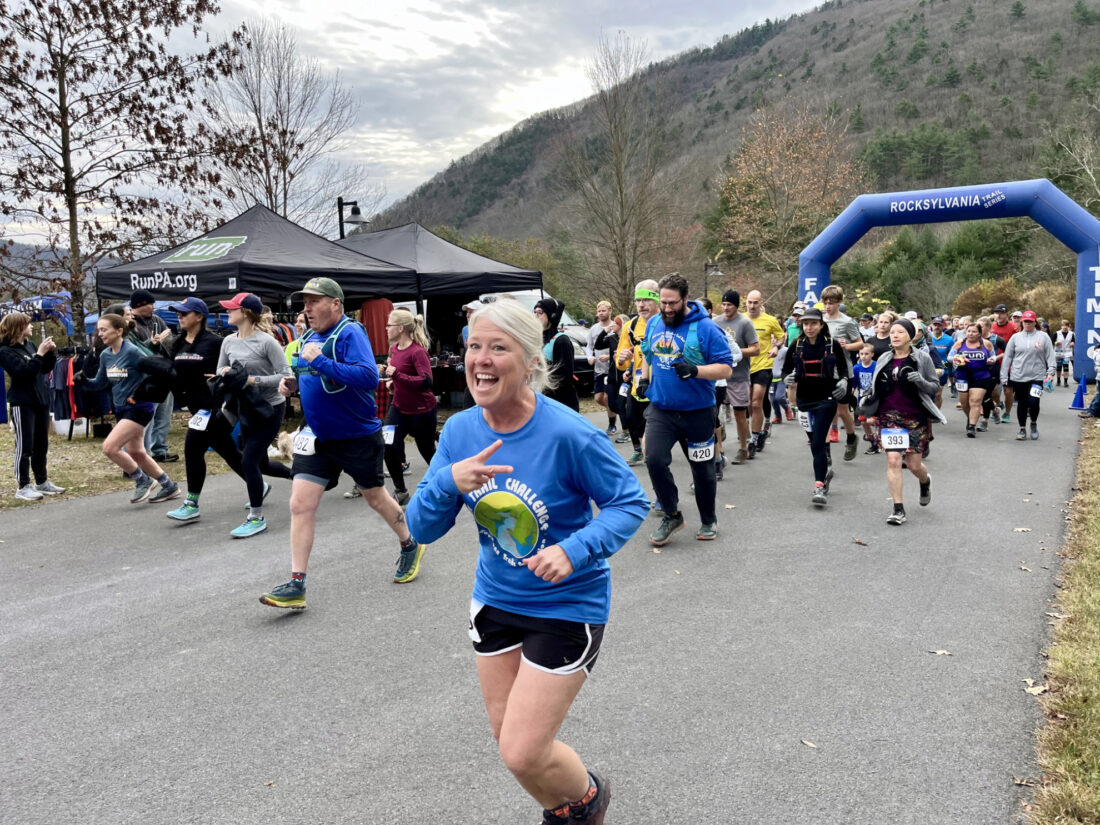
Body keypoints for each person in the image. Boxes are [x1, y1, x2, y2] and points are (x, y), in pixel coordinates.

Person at [405, 298, 647, 825]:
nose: (481, 359)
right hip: (495, 600)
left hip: (566, 605)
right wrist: (448, 481)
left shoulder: (569, 432)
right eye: (473, 346)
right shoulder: (460, 432)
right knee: (509, 742)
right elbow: (421, 528)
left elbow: (630, 501)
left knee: (521, 750)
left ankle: (586, 801)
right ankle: (567, 811)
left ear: (532, 361)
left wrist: (572, 549)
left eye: (498, 347)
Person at [260, 277, 427, 609]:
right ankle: (297, 584)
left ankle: (410, 544)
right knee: (299, 504)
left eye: (314, 301)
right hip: (318, 437)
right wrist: (291, 384)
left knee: (376, 497)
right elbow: (309, 376)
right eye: (304, 303)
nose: (306, 309)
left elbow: (367, 377)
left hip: (356, 436)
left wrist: (319, 361)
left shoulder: (350, 333)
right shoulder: (309, 337)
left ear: (335, 304)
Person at [639, 272, 734, 544]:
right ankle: (672, 514)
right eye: (664, 302)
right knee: (654, 459)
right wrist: (644, 379)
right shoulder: (655, 322)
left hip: (698, 412)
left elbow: (725, 367)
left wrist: (696, 370)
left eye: (673, 303)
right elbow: (648, 353)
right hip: (662, 409)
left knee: (702, 470)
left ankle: (708, 520)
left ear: (686, 299)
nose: (667, 309)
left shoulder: (706, 328)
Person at [78, 314, 181, 504]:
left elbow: (160, 373)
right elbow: (100, 383)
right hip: (121, 409)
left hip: (139, 408)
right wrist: (84, 381)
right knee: (136, 452)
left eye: (104, 329)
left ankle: (142, 480)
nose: (100, 334)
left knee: (110, 447)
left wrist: (141, 394)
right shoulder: (106, 355)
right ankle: (168, 485)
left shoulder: (133, 352)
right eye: (98, 330)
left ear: (119, 331)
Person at [214, 292, 293, 537]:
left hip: (270, 408)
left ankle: (256, 518)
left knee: (247, 461)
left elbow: (286, 375)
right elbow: (219, 370)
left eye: (231, 308)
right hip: (245, 408)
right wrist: (226, 373)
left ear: (246, 313)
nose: (227, 312)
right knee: (262, 464)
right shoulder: (228, 341)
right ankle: (302, 477)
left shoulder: (266, 342)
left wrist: (252, 380)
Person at [163, 297, 248, 523]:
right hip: (195, 408)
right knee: (230, 453)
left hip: (214, 407)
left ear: (199, 316)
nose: (179, 316)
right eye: (178, 313)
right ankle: (259, 482)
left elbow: (237, 368)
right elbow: (175, 373)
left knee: (192, 449)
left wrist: (224, 375)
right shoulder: (178, 343)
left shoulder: (215, 342)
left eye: (184, 313)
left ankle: (191, 503)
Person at [859, 318, 946, 525]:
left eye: (900, 332)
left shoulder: (922, 358)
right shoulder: (884, 359)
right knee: (893, 461)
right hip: (889, 416)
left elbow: (934, 386)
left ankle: (925, 481)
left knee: (914, 465)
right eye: (892, 332)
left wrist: (920, 381)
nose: (895, 335)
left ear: (910, 336)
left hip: (915, 416)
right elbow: (875, 385)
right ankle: (898, 509)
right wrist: (868, 401)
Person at [781, 308, 851, 507]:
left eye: (813, 323)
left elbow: (844, 368)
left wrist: (844, 382)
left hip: (826, 398)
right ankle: (825, 473)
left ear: (821, 325)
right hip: (804, 400)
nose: (809, 327)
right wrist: (787, 378)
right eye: (805, 324)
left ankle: (819, 486)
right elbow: (785, 369)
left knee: (818, 442)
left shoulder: (832, 344)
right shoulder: (797, 344)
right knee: (814, 442)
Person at [0, 312, 64, 500]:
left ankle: (42, 482)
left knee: (41, 444)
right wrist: (39, 354)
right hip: (23, 402)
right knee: (25, 445)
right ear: (18, 327)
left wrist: (49, 353)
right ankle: (23, 486)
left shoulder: (30, 345)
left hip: (40, 400)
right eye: (28, 324)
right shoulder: (5, 351)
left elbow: (43, 369)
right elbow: (23, 372)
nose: (32, 327)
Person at [380, 308, 437, 505]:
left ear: (401, 328)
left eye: (389, 325)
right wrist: (392, 382)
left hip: (422, 411)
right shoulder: (394, 349)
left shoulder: (417, 352)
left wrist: (397, 376)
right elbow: (399, 376)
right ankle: (401, 491)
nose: (386, 328)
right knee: (388, 446)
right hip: (398, 408)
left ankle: (449, 483)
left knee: (428, 451)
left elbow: (427, 381)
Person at [128, 289, 178, 463]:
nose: (153, 307)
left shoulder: (157, 320)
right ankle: (142, 452)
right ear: (140, 305)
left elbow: (171, 342)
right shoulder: (131, 324)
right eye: (150, 303)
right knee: (148, 415)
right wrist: (153, 342)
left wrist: (167, 340)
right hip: (146, 377)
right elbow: (135, 350)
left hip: (164, 372)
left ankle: (160, 449)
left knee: (164, 414)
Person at [615, 282, 660, 464]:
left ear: (657, 299)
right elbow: (620, 361)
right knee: (633, 421)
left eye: (646, 299)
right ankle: (640, 451)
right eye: (638, 300)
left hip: (663, 387)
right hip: (638, 385)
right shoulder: (631, 326)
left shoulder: (667, 323)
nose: (641, 305)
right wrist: (622, 359)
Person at [712, 290, 759, 464]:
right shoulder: (715, 322)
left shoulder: (744, 323)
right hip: (718, 377)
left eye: (729, 305)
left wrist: (733, 353)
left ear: (736, 306)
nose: (725, 308)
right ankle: (720, 451)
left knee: (740, 413)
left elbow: (756, 349)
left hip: (739, 376)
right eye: (723, 304)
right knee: (714, 414)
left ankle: (743, 448)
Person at [820, 285, 862, 460]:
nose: (828, 306)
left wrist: (847, 345)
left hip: (844, 372)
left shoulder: (847, 322)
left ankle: (852, 437)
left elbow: (860, 343)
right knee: (825, 411)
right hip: (824, 373)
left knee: (842, 410)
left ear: (839, 303)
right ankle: (826, 453)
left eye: (831, 303)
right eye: (825, 303)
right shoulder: (819, 320)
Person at [1001, 310, 1057, 441]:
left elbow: (1050, 355)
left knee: (1034, 401)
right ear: (1022, 322)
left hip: (1037, 375)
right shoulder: (1015, 338)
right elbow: (1008, 357)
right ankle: (1022, 428)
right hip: (1018, 375)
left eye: (1030, 322)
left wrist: (1051, 372)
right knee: (1022, 403)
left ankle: (1033, 423)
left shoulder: (1043, 336)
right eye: (1025, 321)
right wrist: (1004, 376)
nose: (1027, 324)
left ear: (1034, 322)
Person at [744, 289, 786, 455]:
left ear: (762, 303)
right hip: (745, 366)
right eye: (750, 302)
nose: (752, 306)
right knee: (747, 404)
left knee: (756, 402)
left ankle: (753, 440)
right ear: (746, 303)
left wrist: (776, 346)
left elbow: (781, 336)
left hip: (764, 365)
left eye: (756, 302)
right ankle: (759, 432)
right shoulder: (741, 319)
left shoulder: (770, 320)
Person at [949, 321, 995, 437]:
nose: (971, 334)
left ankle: (972, 426)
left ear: (980, 333)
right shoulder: (960, 343)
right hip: (962, 376)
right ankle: (970, 418)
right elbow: (949, 357)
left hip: (981, 375)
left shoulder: (987, 344)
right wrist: (958, 358)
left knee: (975, 400)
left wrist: (991, 360)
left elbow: (993, 356)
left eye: (974, 331)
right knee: (965, 403)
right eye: (969, 331)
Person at [534, 298, 579, 412]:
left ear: (552, 316)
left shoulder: (561, 340)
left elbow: (565, 376)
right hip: (541, 400)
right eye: (534, 312)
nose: (535, 316)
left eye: (540, 312)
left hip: (561, 403)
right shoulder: (536, 340)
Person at [584, 300, 618, 434]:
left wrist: (610, 357)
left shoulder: (615, 327)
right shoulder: (594, 328)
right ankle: (616, 409)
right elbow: (589, 347)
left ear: (610, 311)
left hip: (612, 367)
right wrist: (589, 357)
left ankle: (612, 424)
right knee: (598, 398)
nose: (600, 313)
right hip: (598, 368)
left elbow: (621, 347)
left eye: (603, 310)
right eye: (598, 311)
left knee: (607, 397)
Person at [990, 304, 1018, 422]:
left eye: (1001, 313)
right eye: (997, 313)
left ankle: (1007, 413)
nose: (999, 315)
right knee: (992, 390)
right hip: (994, 363)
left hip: (1010, 363)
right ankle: (999, 403)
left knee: (1008, 391)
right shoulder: (991, 327)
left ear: (1007, 314)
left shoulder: (1014, 328)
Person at [852, 343, 879, 453]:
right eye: (861, 354)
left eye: (866, 354)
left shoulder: (876, 366)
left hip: (874, 398)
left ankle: (880, 436)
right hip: (862, 399)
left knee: (872, 420)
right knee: (863, 422)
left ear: (872, 354)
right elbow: (854, 383)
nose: (864, 356)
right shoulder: (856, 368)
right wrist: (851, 390)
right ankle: (873, 442)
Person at [1055, 320, 1075, 387]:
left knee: (1066, 367)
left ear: (1068, 326)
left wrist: (1073, 343)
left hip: (1067, 353)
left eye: (1066, 326)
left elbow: (1074, 341)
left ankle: (1066, 382)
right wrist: (1056, 343)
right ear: (1061, 326)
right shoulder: (1057, 333)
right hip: (1059, 353)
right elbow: (1052, 341)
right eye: (1063, 325)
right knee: (1059, 367)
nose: (1065, 327)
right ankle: (1058, 380)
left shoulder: (1071, 334)